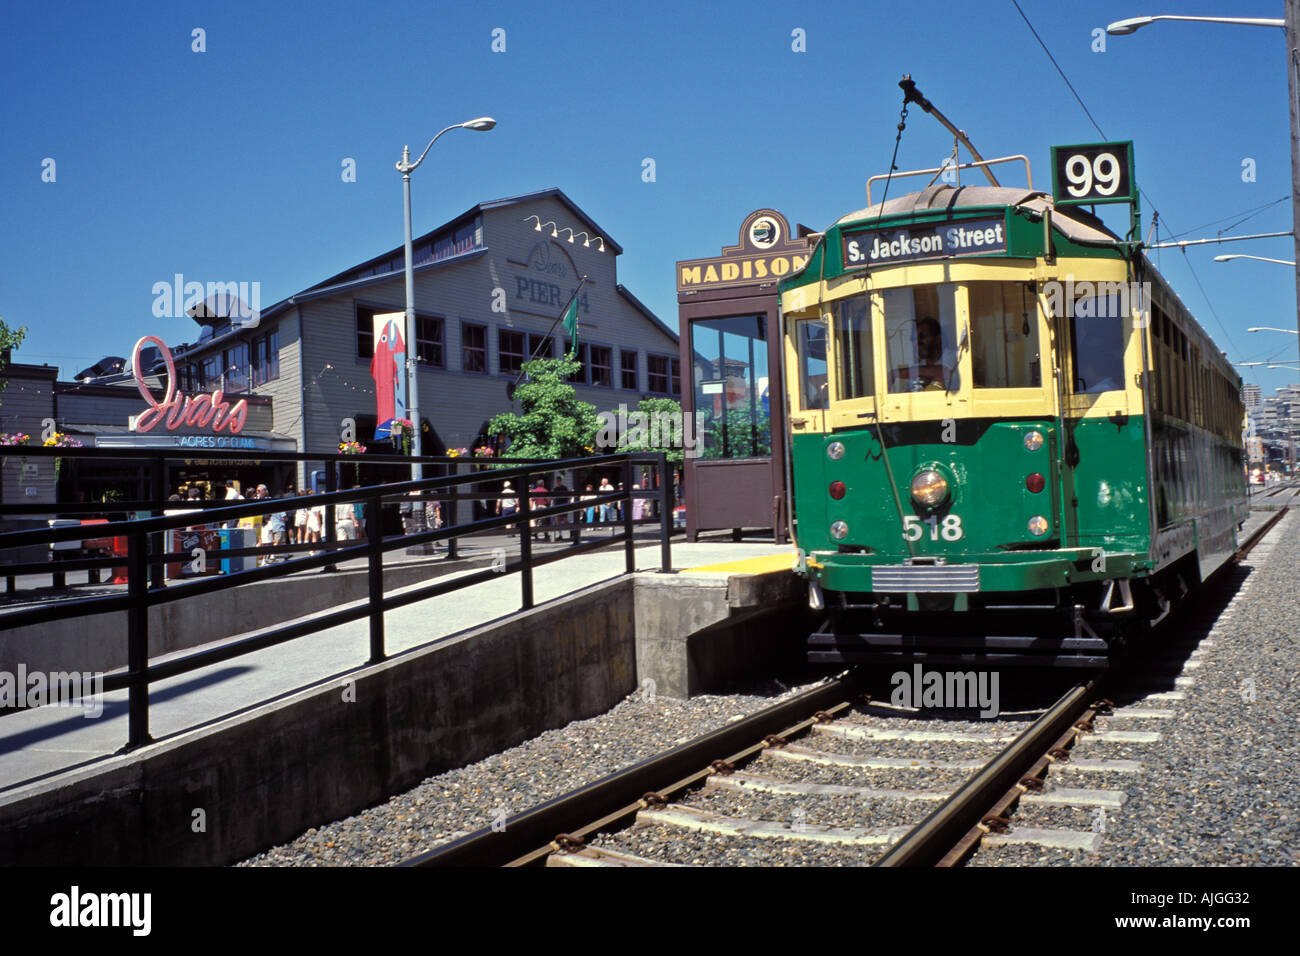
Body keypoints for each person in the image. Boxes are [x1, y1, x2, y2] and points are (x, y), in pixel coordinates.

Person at [891, 316, 960, 392]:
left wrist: (896, 373)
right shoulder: (915, 368)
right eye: (913, 339)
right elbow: (906, 397)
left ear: (938, 339)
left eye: (922, 337)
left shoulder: (956, 357)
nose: (916, 342)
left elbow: (943, 372)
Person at [551, 478, 572, 542]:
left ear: (561, 481)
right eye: (557, 481)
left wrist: (569, 504)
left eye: (559, 481)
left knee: (565, 519)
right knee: (559, 520)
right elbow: (554, 499)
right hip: (558, 506)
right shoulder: (555, 489)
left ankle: (572, 530)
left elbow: (568, 497)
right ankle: (560, 535)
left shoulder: (564, 488)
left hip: (564, 505)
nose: (558, 482)